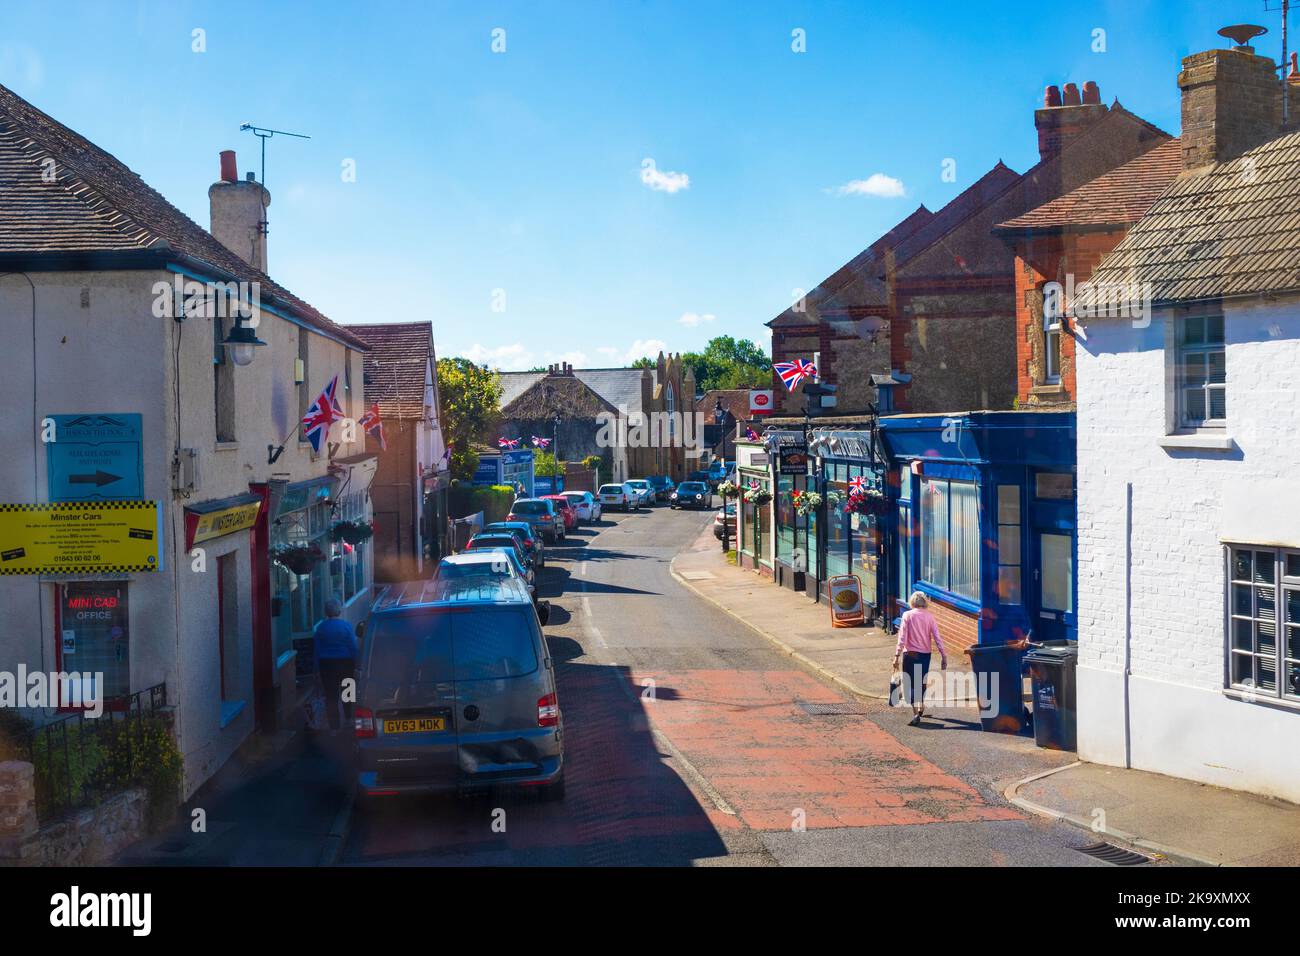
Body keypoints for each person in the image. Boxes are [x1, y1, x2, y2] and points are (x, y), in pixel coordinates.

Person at [892, 591, 947, 726]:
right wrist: (943, 656)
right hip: (924, 655)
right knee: (921, 681)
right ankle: (921, 705)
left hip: (910, 654)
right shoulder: (930, 617)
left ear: (912, 602)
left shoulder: (907, 615)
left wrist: (897, 655)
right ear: (924, 603)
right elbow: (937, 638)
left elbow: (902, 637)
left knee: (910, 683)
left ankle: (916, 712)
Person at [313, 597, 359, 733]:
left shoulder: (320, 628)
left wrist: (315, 670)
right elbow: (353, 647)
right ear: (339, 610)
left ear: (326, 612)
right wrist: (357, 664)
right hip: (346, 663)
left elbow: (316, 651)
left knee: (331, 695)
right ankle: (349, 719)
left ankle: (334, 726)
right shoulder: (346, 626)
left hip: (326, 665)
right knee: (348, 692)